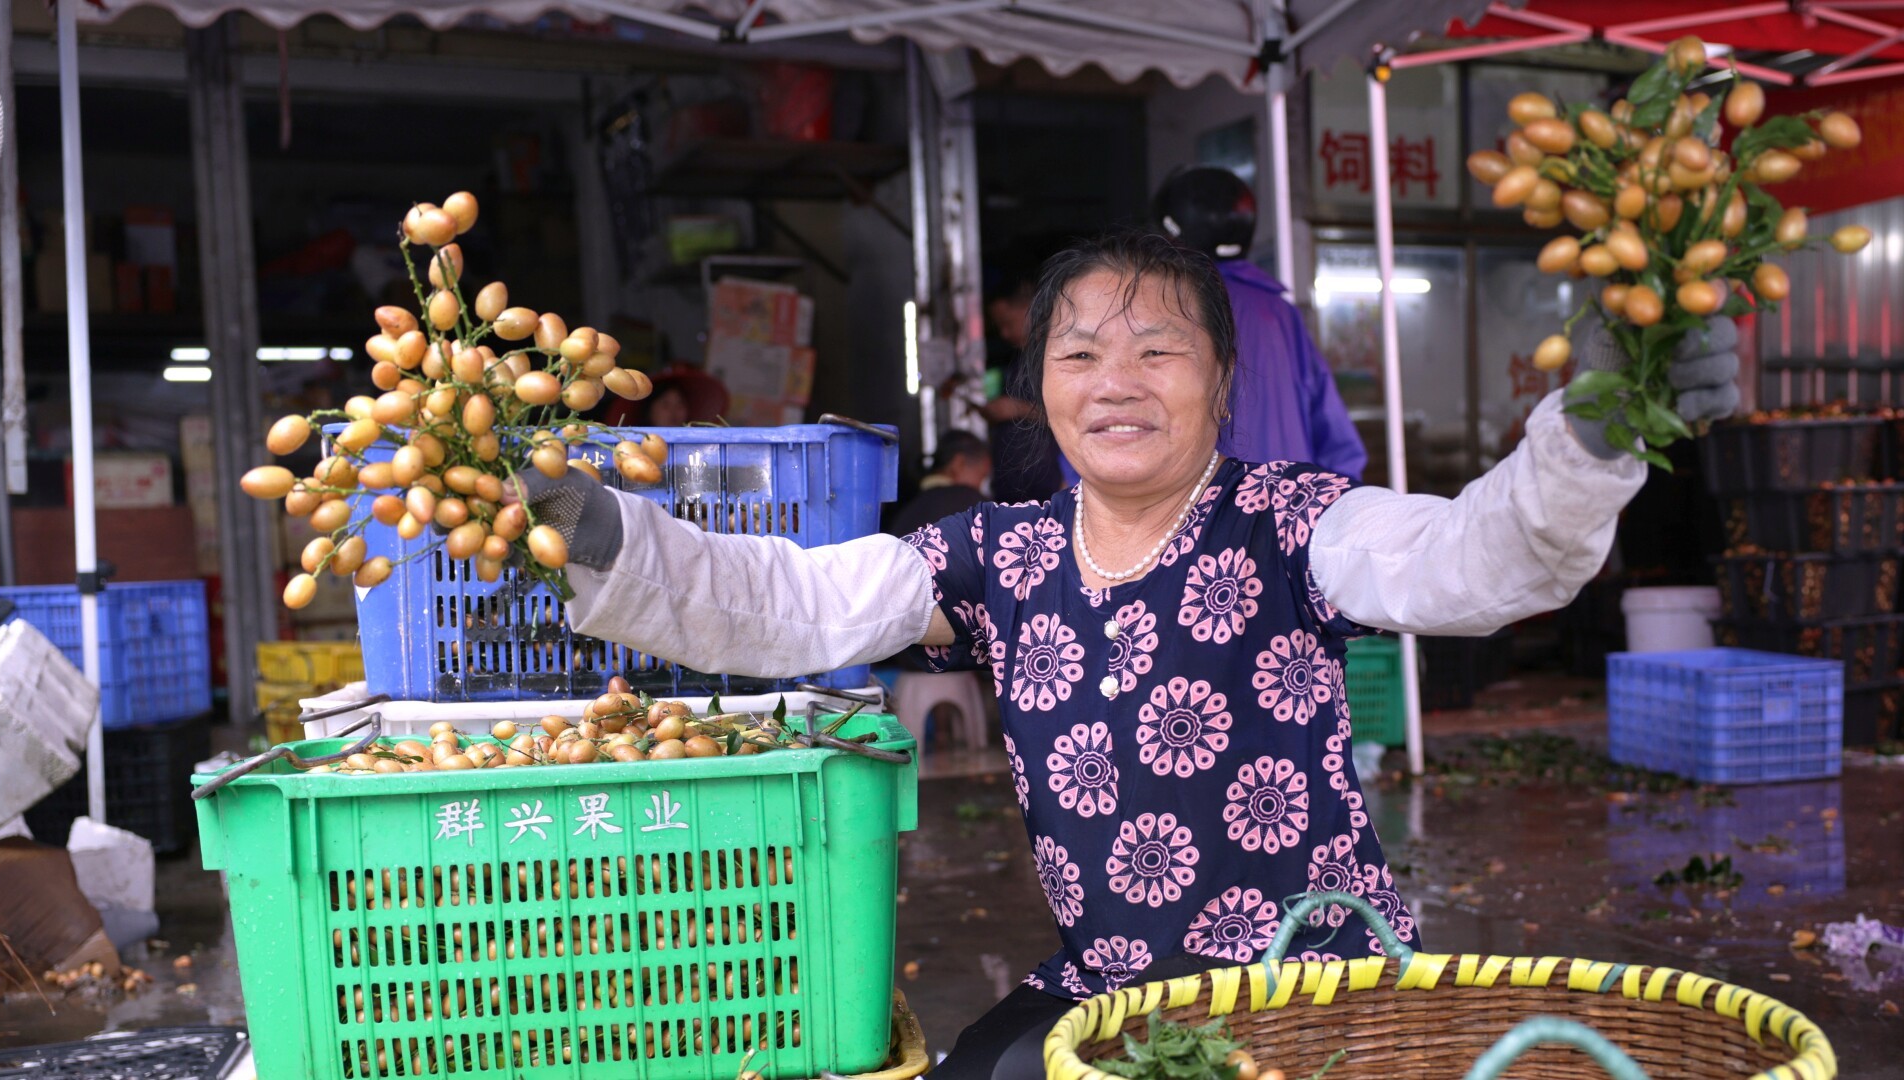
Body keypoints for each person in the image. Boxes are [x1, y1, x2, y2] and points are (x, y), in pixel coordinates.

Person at [517, 232, 1737, 1078]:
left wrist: (1586, 443)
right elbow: (792, 600)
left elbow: (1485, 560)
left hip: (1309, 986)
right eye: (1081, 353)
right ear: (1038, 388)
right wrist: (616, 538)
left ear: (1220, 381)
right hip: (1109, 984)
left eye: (1157, 350)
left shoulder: (1300, 522)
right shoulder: (991, 555)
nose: (1117, 383)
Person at [1154, 166, 1368, 480]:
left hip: (1195, 519)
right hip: (1290, 512)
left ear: (1171, 233)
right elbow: (1336, 440)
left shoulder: (1159, 307)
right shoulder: (1280, 312)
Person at [971, 267, 1070, 503]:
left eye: (1007, 323)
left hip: (1050, 487)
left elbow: (1071, 416)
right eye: (999, 327)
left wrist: (1018, 409)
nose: (1004, 334)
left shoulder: (1059, 356)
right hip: (1014, 489)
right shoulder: (1018, 364)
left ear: (1029, 310)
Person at [889, 430, 992, 538]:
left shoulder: (902, 504)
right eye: (982, 477)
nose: (980, 487)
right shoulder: (973, 506)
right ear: (958, 463)